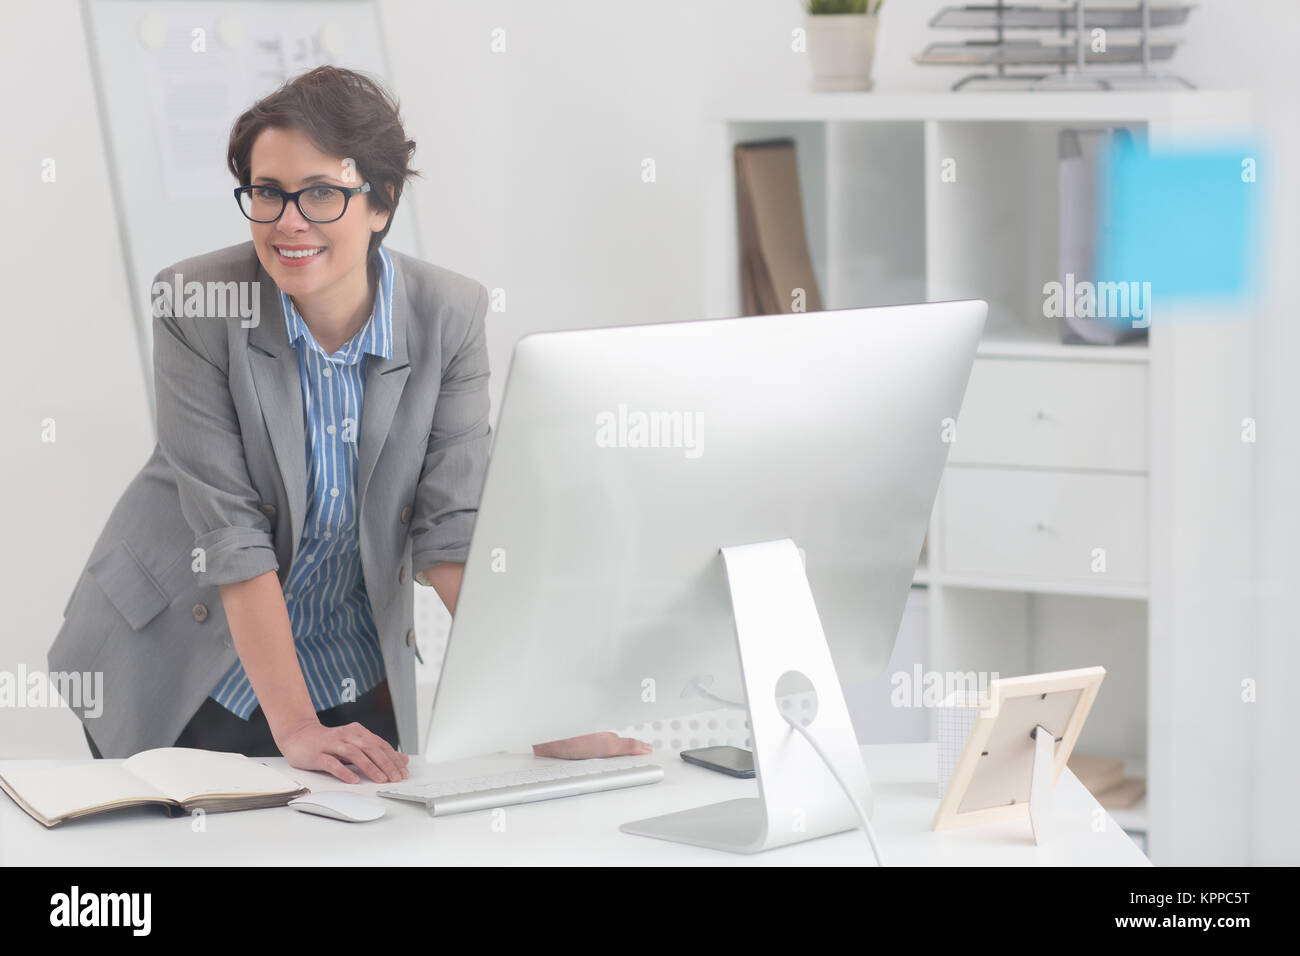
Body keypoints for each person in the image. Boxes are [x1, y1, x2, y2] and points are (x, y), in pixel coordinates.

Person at [49, 66, 649, 783]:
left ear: (382, 202)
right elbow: (230, 537)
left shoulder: (447, 317)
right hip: (189, 658)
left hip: (348, 668)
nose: (288, 222)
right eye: (267, 193)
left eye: (322, 194)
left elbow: (452, 535)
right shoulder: (197, 302)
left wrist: (548, 711)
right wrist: (295, 726)